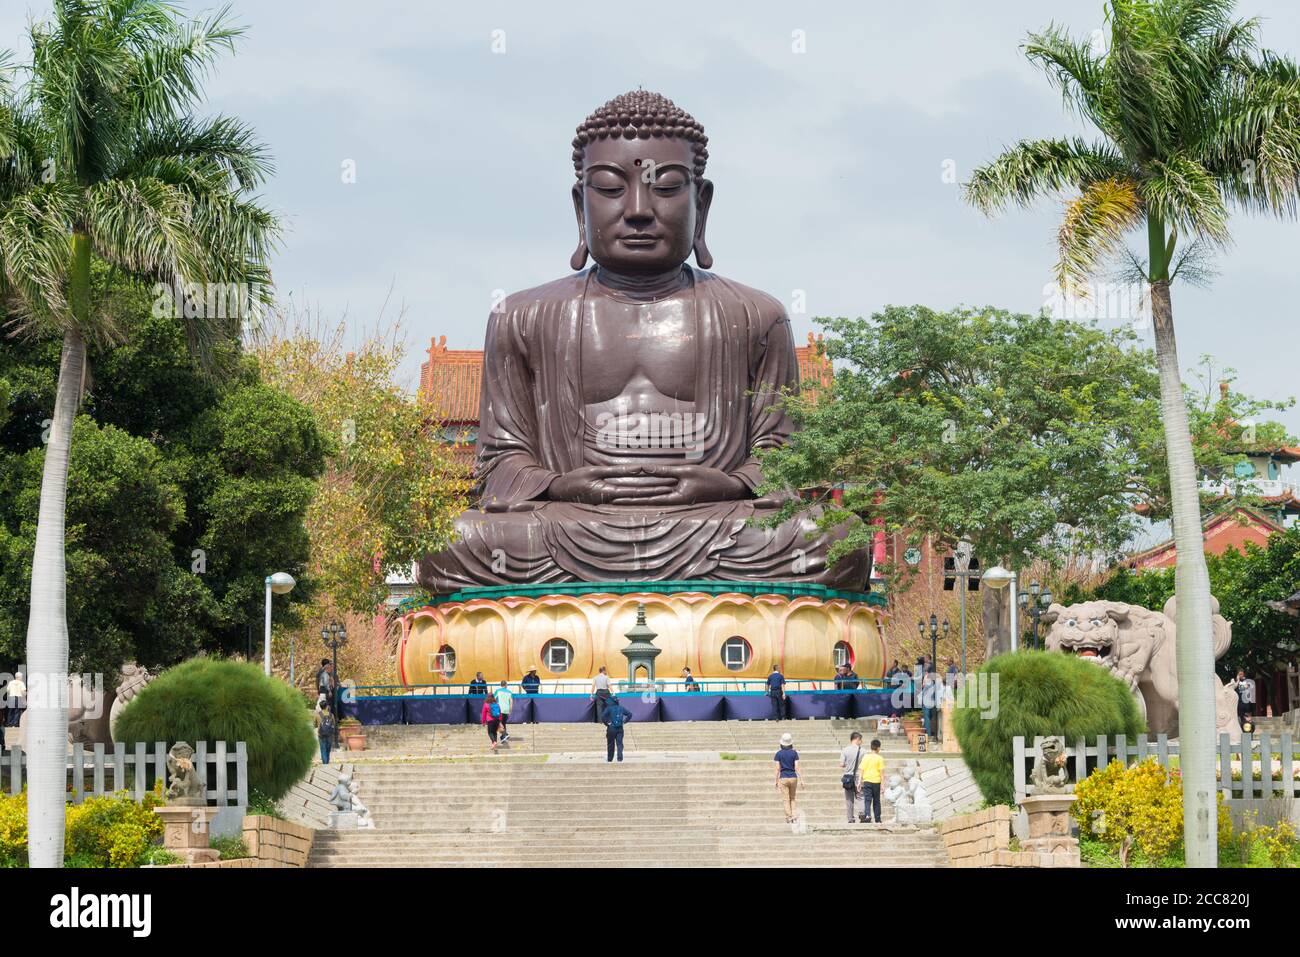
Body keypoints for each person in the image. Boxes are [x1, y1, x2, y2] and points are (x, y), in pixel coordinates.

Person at [773, 732, 803, 823]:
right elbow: (797, 767)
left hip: (783, 777)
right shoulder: (794, 753)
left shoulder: (778, 754)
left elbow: (777, 768)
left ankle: (789, 817)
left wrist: (776, 780)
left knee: (786, 799)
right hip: (793, 777)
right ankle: (794, 815)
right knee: (792, 798)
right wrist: (802, 779)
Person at [840, 731, 865, 823]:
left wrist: (848, 764)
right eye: (861, 740)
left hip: (848, 778)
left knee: (849, 799)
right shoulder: (863, 751)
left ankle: (850, 818)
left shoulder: (845, 750)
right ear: (857, 739)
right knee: (861, 796)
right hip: (859, 776)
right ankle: (862, 813)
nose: (861, 742)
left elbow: (841, 764)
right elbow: (865, 764)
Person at [860, 738, 885, 823]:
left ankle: (867, 815)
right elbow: (882, 773)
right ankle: (878, 818)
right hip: (876, 782)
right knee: (876, 801)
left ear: (871, 747)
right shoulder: (880, 758)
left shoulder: (866, 757)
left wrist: (859, 781)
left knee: (867, 800)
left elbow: (861, 770)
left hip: (867, 781)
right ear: (878, 748)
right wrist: (883, 785)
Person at [603, 696, 632, 762]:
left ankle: (610, 759)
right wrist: (624, 722)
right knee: (619, 744)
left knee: (610, 744)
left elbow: (603, 717)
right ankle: (619, 758)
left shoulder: (609, 708)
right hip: (620, 728)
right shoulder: (621, 708)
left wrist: (607, 723)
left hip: (611, 728)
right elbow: (630, 714)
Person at [314, 694, 336, 765]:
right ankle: (327, 762)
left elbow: (314, 724)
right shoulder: (331, 715)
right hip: (329, 734)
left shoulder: (318, 715)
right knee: (328, 749)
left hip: (321, 734)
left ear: (320, 707)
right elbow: (334, 724)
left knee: (323, 749)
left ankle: (325, 764)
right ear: (327, 706)